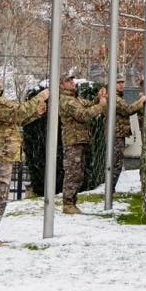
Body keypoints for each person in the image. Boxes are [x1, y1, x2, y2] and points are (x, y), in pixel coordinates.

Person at [0, 74, 46, 247]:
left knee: (0, 194)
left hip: (1, 153)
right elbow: (19, 111)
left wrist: (35, 114)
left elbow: (17, 119)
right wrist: (40, 97)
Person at [46, 75, 103, 215]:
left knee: (78, 173)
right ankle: (68, 204)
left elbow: (87, 105)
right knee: (72, 173)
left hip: (80, 139)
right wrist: (101, 106)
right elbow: (84, 115)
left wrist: (97, 98)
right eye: (68, 81)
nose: (72, 82)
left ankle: (71, 202)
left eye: (72, 80)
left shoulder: (74, 98)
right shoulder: (66, 100)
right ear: (61, 84)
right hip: (73, 141)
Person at [106, 78, 146, 195]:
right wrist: (140, 101)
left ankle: (111, 189)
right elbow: (127, 110)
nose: (121, 85)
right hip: (115, 134)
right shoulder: (114, 98)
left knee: (117, 163)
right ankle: (110, 190)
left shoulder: (118, 96)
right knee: (116, 163)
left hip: (118, 133)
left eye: (122, 82)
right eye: (118, 83)